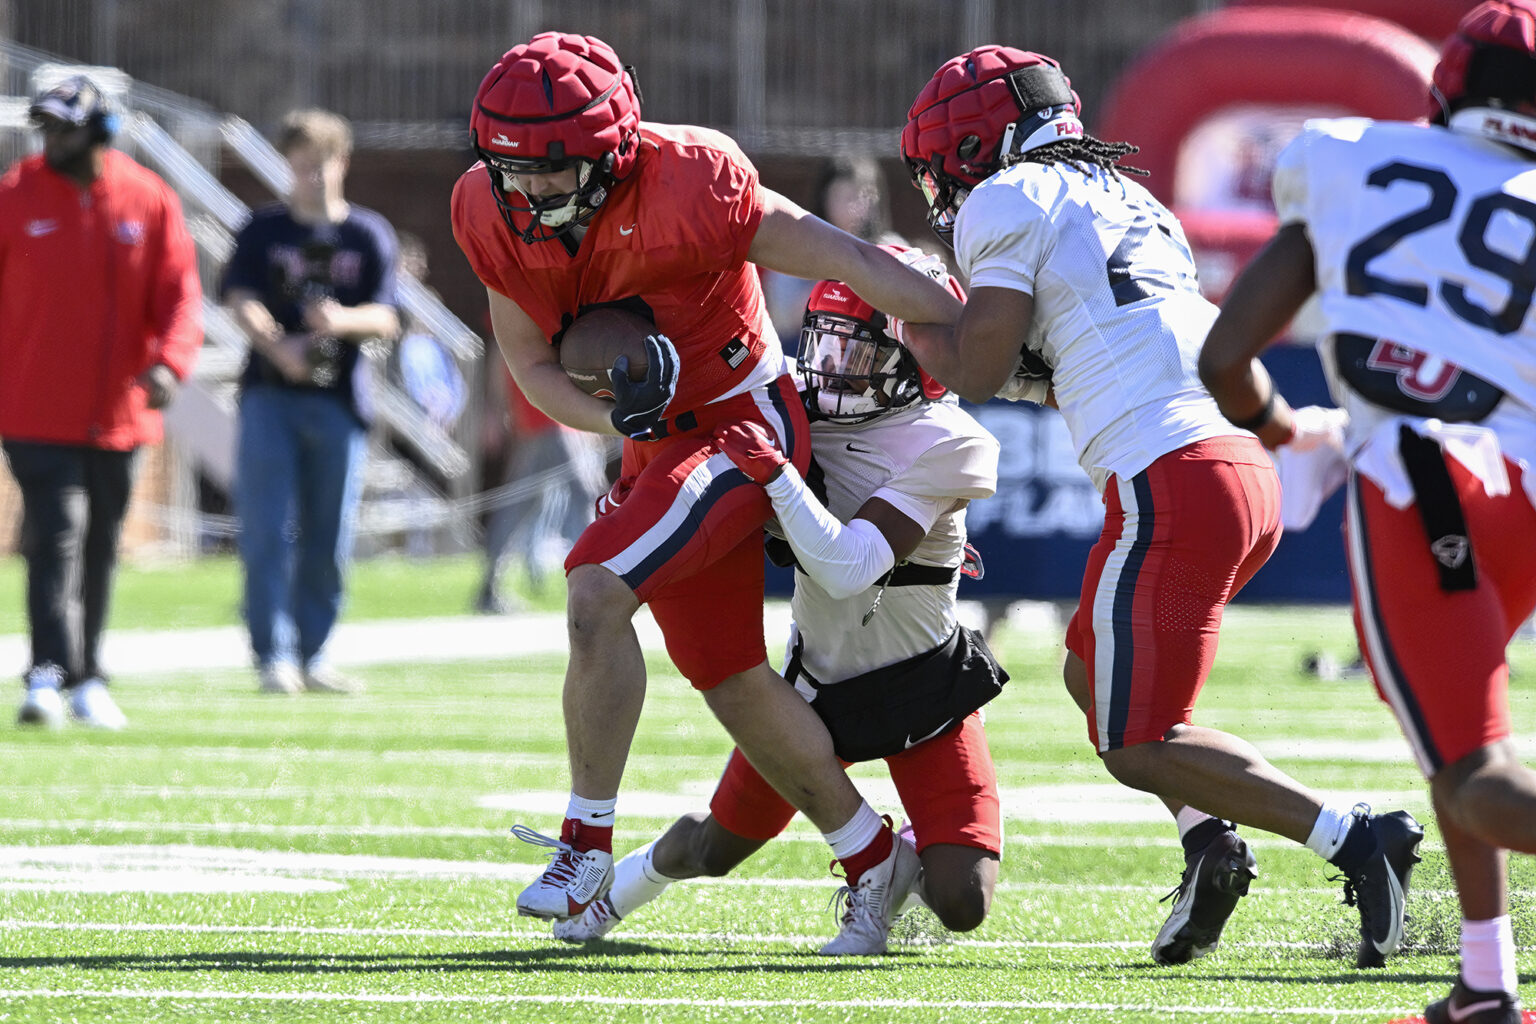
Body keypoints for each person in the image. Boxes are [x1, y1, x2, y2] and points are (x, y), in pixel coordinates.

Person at [894, 44, 1424, 968]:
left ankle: (1353, 835)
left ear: (980, 144)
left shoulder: (1007, 197)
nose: (946, 183)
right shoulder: (1134, 200)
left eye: (947, 161)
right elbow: (1075, 356)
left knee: (1136, 741)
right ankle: (1208, 840)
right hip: (1228, 463)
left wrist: (907, 321)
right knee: (1088, 675)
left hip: (1171, 475)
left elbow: (977, 365)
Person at [449, 32, 963, 931]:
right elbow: (532, 364)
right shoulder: (487, 209)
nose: (525, 193)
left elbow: (846, 257)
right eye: (509, 170)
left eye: (549, 173)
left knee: (595, 588)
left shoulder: (695, 179)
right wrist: (614, 421)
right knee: (728, 676)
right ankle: (877, 860)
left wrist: (987, 329)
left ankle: (585, 847)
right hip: (655, 444)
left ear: (611, 155)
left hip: (741, 421)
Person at [1199, 2, 1536, 1018]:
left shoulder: (1354, 161)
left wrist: (1275, 423)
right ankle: (1486, 981)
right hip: (1524, 475)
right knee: (1453, 734)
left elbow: (1225, 357)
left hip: (1424, 480)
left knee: (1473, 771)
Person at [554, 257, 1005, 954]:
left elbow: (851, 567)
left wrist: (776, 476)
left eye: (855, 353)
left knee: (963, 900)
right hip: (813, 690)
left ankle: (905, 854)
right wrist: (637, 492)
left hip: (924, 691)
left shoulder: (947, 440)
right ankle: (612, 896)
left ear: (920, 361)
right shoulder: (797, 412)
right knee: (712, 846)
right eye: (824, 345)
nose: (831, 371)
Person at [0, 76, 202, 730]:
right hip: (34, 407)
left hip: (122, 413)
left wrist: (171, 364)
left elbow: (181, 296)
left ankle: (84, 674)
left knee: (102, 545)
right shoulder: (14, 196)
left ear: (100, 131)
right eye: (47, 129)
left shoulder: (149, 198)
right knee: (57, 534)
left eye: (64, 127)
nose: (52, 140)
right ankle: (51, 676)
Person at [221, 109, 401, 696]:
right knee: (266, 529)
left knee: (329, 534)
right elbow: (239, 295)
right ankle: (271, 655)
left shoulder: (367, 234)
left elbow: (387, 315)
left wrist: (340, 321)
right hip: (270, 396)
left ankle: (314, 651)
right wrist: (279, 346)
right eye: (300, 167)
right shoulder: (263, 229)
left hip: (338, 402)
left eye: (320, 166)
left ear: (341, 164)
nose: (310, 178)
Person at [474, 368, 607, 613]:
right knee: (587, 498)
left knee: (518, 507)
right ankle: (601, 583)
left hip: (540, 421)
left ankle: (488, 589)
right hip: (553, 421)